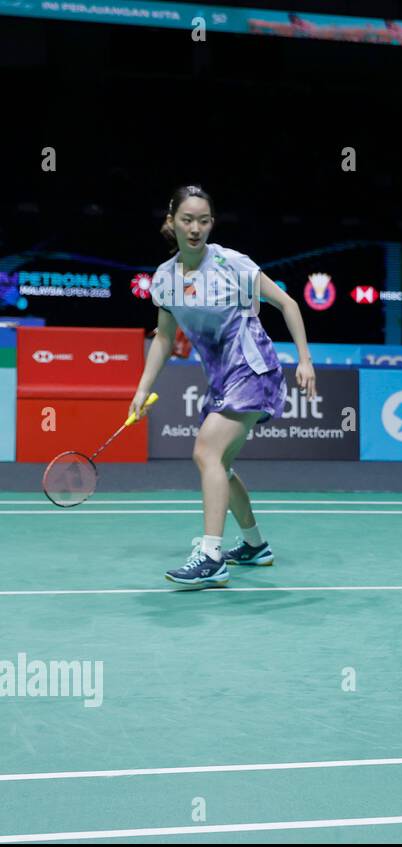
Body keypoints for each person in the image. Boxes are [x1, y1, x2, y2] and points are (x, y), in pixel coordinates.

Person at [132, 185, 316, 588]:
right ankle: (254, 546)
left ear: (211, 223)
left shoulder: (233, 264)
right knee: (221, 465)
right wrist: (143, 388)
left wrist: (304, 360)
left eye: (203, 220)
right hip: (221, 380)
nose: (195, 228)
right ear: (171, 222)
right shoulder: (163, 280)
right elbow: (164, 338)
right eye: (187, 220)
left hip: (254, 371)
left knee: (206, 451)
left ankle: (211, 556)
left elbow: (289, 304)